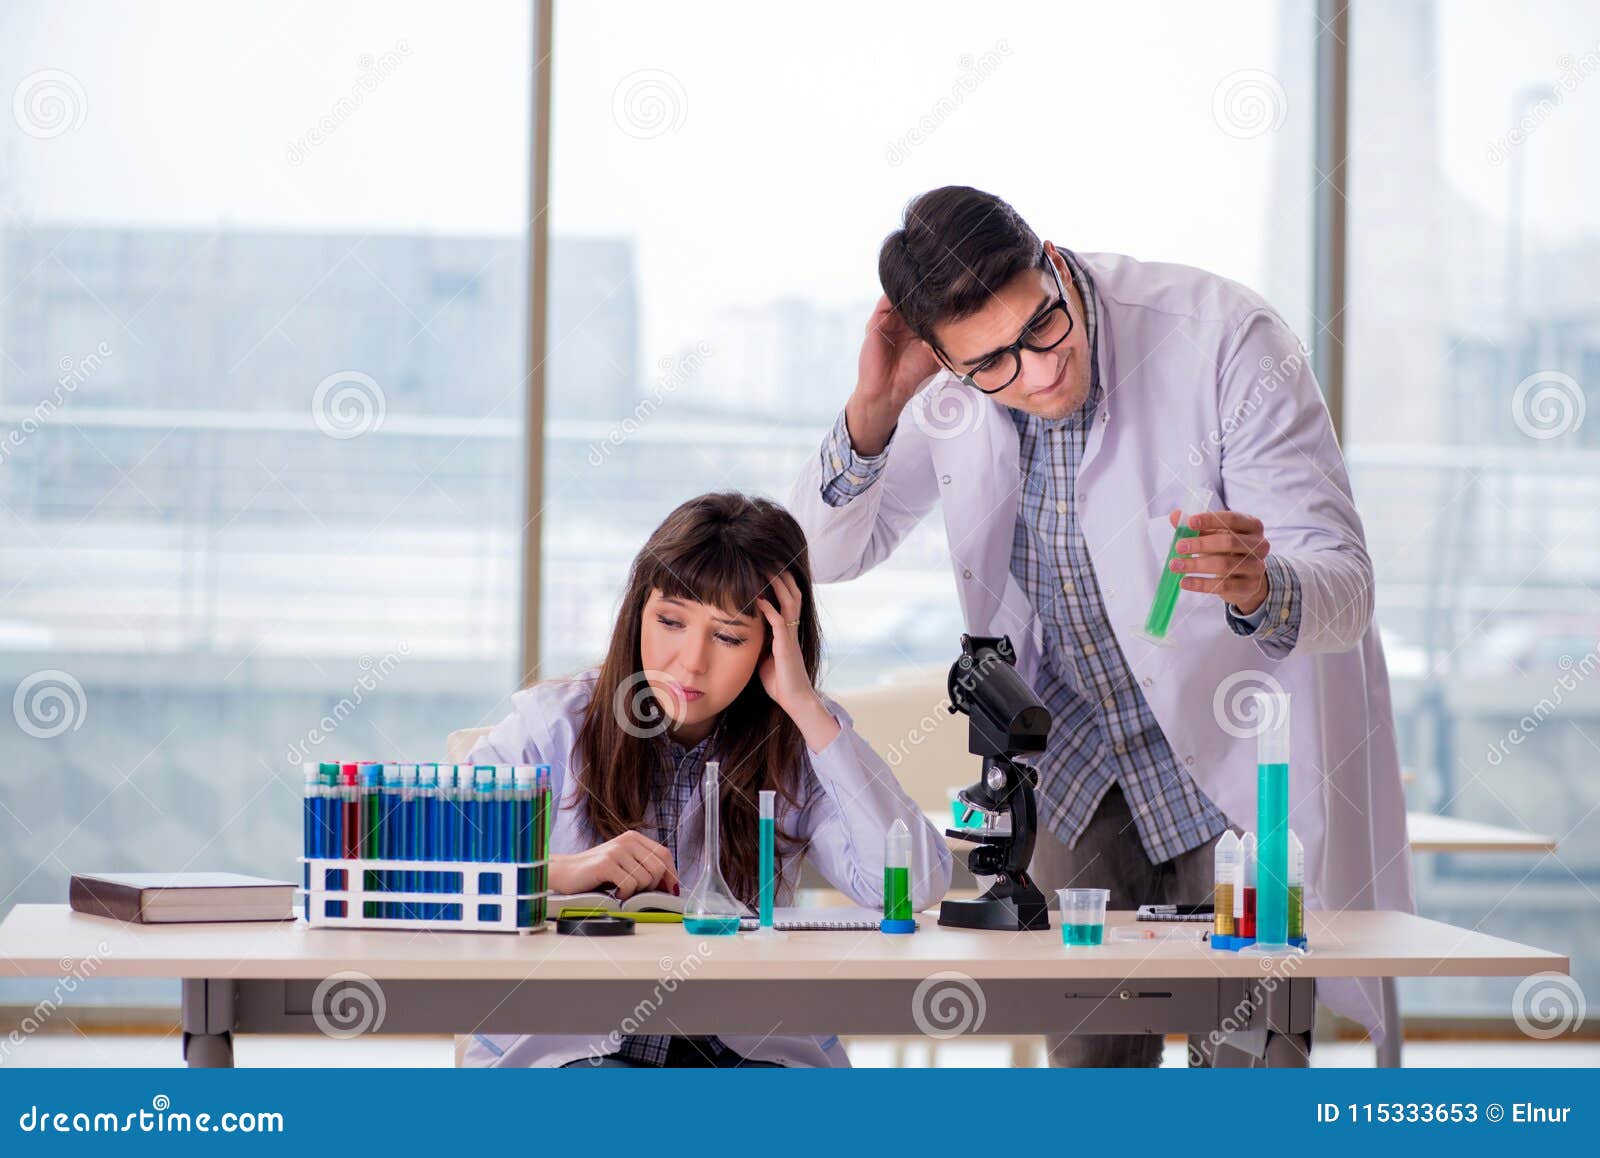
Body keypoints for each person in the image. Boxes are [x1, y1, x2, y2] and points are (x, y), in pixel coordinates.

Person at [788, 185, 1414, 1066]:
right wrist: (875, 412)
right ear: (941, 357)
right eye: (993, 364)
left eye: (1041, 326)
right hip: (1079, 767)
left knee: (1247, 1073)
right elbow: (822, 552)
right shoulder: (946, 391)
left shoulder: (1226, 338)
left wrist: (1260, 584)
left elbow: (1347, 587)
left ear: (1050, 258)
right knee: (1091, 1082)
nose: (1036, 372)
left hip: (1234, 769)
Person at [461, 491, 951, 1068]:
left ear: (774, 643)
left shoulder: (797, 745)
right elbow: (436, 872)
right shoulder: (554, 726)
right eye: (670, 621)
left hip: (748, 1054)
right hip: (578, 1056)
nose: (690, 662)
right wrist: (564, 874)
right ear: (637, 612)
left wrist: (806, 706)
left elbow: (912, 886)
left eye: (728, 636)